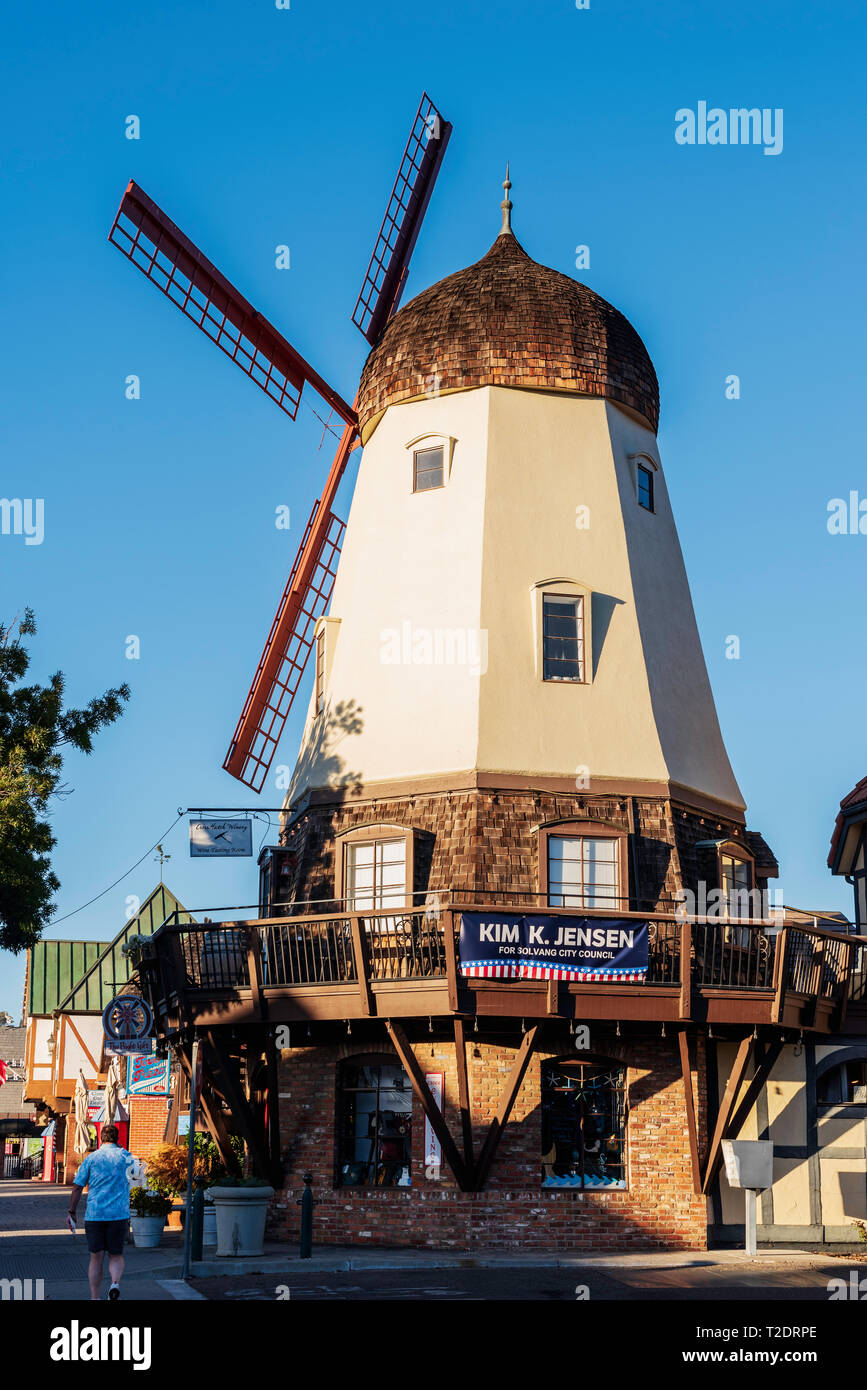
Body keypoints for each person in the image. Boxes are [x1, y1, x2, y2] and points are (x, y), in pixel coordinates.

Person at [68, 1122, 133, 1301]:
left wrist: (72, 1211)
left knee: (96, 1258)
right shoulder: (126, 1156)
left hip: (95, 1214)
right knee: (116, 1255)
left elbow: (77, 1187)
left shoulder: (91, 1158)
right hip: (119, 1214)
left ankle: (95, 1298)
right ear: (117, 1138)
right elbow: (138, 1177)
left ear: (100, 1139)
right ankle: (115, 1283)